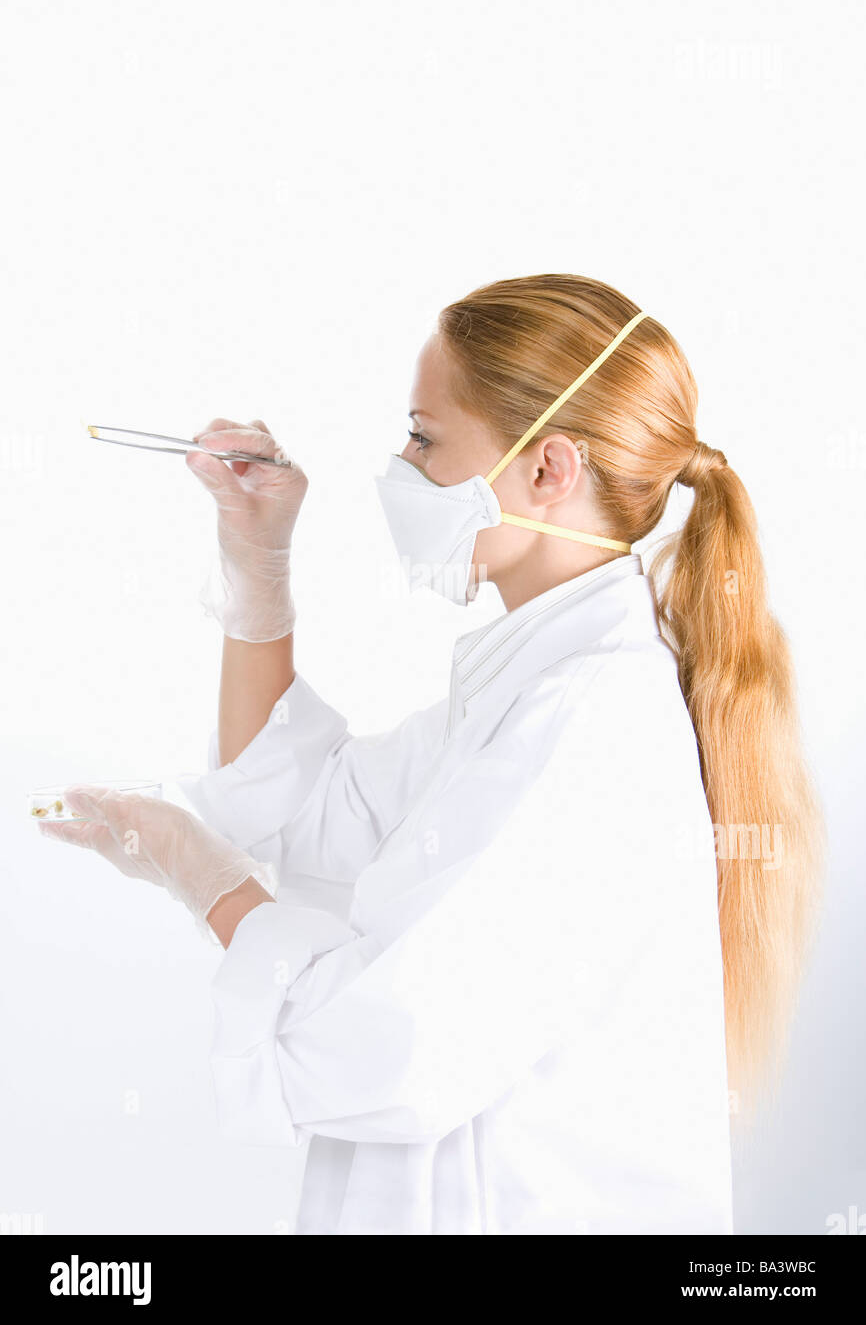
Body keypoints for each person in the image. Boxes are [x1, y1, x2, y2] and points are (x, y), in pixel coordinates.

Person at [40, 274, 824, 1235]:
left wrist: (201, 873)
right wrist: (257, 556)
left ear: (549, 471)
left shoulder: (593, 721)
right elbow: (306, 809)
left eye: (423, 438)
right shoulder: (525, 686)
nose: (400, 469)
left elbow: (383, 1046)